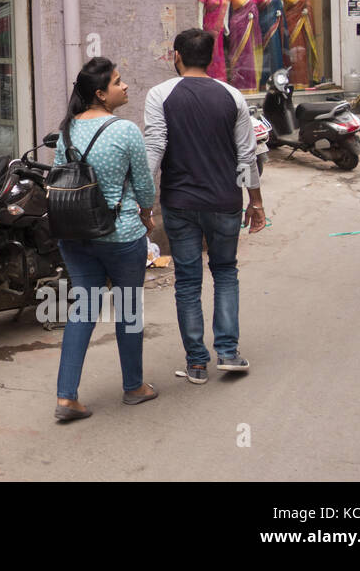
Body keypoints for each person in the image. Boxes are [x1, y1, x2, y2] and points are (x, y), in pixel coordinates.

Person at [144, 28, 265, 385]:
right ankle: (228, 352)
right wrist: (255, 201)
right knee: (225, 272)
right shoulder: (232, 96)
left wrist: (142, 200)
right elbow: (246, 154)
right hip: (225, 201)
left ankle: (197, 363)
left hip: (179, 203)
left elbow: (155, 149)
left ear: (176, 55)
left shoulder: (159, 94)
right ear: (211, 58)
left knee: (187, 280)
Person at [51, 57, 159, 422]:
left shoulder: (66, 131)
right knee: (128, 309)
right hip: (121, 235)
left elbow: (57, 177)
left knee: (82, 310)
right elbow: (144, 185)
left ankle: (66, 397)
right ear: (100, 94)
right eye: (117, 81)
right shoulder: (125, 130)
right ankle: (134, 387)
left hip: (75, 233)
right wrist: (147, 214)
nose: (124, 86)